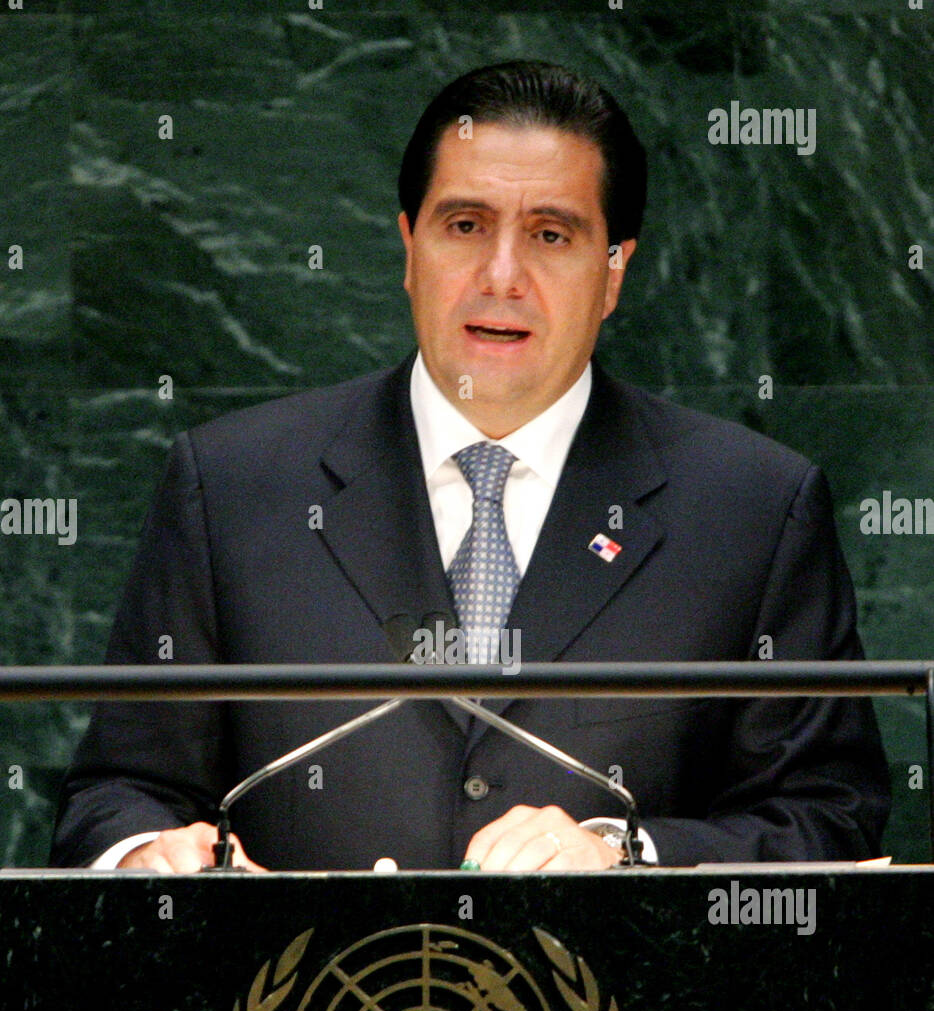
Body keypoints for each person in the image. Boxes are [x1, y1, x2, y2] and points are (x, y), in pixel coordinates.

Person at [49, 61, 890, 874]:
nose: (501, 277)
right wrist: (152, 859)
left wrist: (627, 851)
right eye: (465, 226)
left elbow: (828, 819)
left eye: (551, 235)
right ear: (410, 246)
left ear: (613, 273)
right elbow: (119, 795)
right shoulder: (231, 487)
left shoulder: (752, 509)